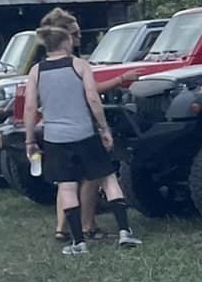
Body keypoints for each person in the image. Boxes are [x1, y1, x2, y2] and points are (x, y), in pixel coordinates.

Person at [22, 15, 140, 254]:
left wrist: (29, 139)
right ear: (65, 42)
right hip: (85, 133)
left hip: (55, 137)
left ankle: (78, 242)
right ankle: (125, 231)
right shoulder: (79, 65)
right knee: (107, 179)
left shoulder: (36, 71)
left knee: (66, 187)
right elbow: (93, 97)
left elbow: (30, 107)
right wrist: (104, 128)